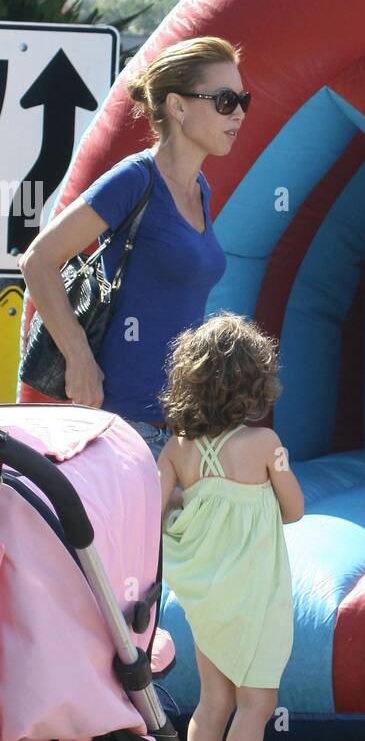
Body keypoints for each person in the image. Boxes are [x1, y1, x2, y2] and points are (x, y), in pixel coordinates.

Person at [19, 36, 248, 459]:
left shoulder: (201, 189)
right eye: (224, 99)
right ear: (177, 106)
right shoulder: (135, 179)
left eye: (242, 100)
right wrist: (79, 357)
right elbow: (38, 261)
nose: (237, 112)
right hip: (123, 426)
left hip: (183, 426)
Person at [157, 312, 305, 741]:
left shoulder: (177, 448)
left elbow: (153, 515)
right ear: (255, 381)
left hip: (206, 596)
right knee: (257, 703)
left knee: (213, 701)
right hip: (255, 596)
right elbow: (294, 510)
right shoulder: (267, 443)